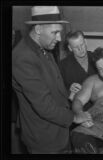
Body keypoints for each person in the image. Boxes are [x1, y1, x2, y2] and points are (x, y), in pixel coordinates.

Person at [12, 6, 91, 154]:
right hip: (45, 139)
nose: (59, 38)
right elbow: (44, 106)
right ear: (38, 29)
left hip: (59, 133)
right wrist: (75, 117)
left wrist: (68, 94)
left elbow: (51, 85)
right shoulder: (23, 57)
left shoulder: (43, 48)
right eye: (55, 32)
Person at [58, 30, 97, 105]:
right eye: (76, 47)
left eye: (82, 45)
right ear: (70, 48)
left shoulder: (96, 58)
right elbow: (58, 91)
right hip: (76, 109)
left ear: (85, 42)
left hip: (98, 106)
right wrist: (69, 91)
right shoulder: (62, 66)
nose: (80, 49)